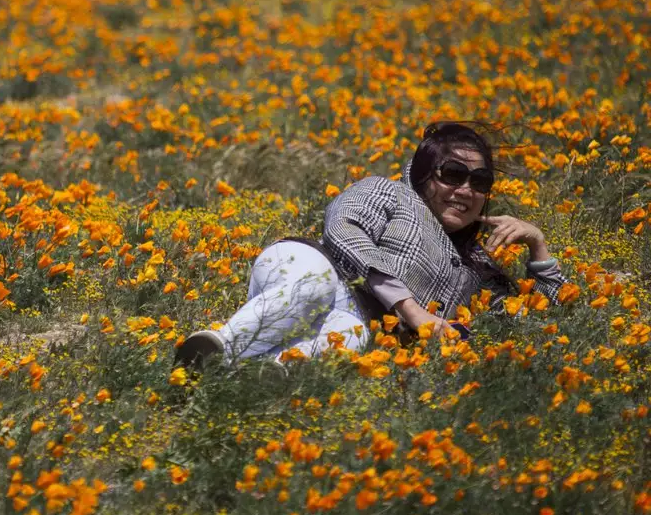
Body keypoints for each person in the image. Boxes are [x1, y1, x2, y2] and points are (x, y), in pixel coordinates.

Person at [174, 121, 568, 369]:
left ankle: (251, 376)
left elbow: (544, 320)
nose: (465, 190)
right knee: (312, 287)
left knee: (353, 337)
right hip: (316, 265)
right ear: (423, 175)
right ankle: (216, 346)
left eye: (479, 182)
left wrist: (538, 247)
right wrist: (411, 310)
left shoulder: (477, 267)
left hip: (362, 316)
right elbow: (343, 227)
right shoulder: (391, 193)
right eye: (452, 174)